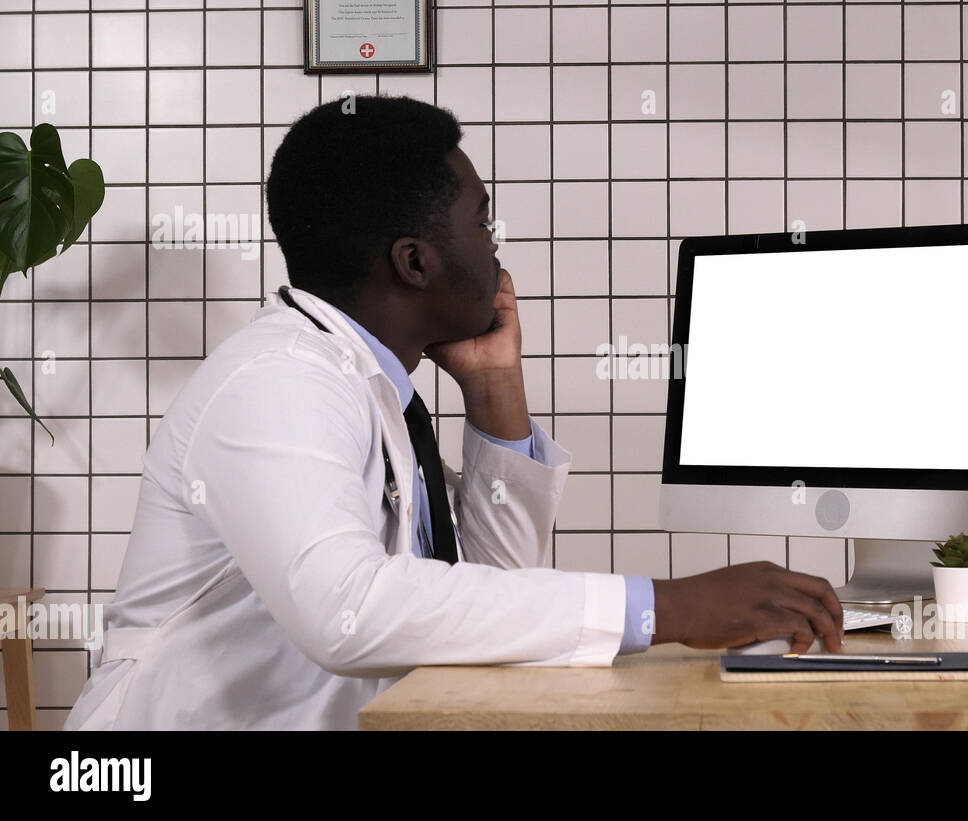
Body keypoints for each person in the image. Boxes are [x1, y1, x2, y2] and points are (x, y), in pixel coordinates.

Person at [64, 95, 843, 730]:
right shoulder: (279, 381)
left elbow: (493, 598)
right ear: (414, 260)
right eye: (483, 220)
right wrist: (666, 605)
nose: (497, 249)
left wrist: (494, 388)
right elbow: (348, 610)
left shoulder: (364, 387)